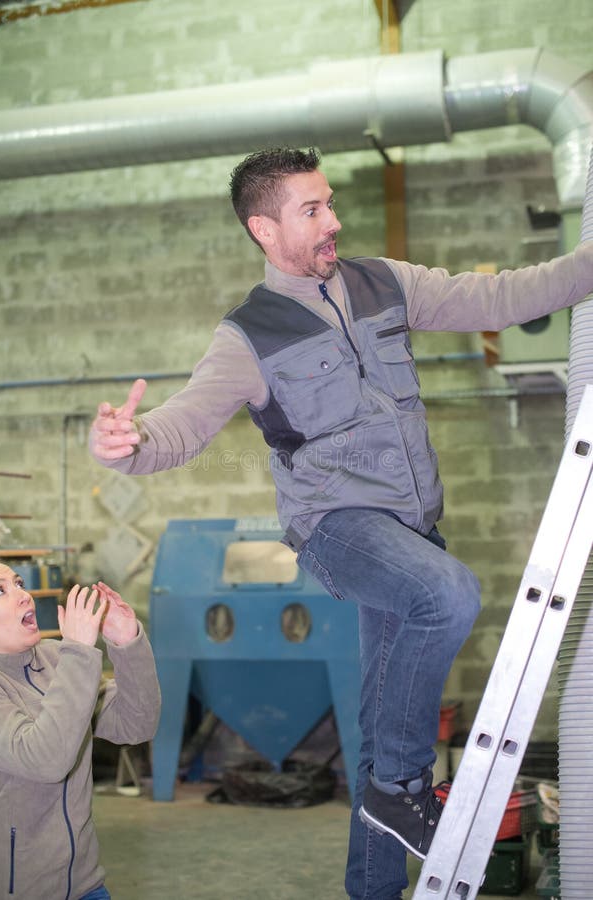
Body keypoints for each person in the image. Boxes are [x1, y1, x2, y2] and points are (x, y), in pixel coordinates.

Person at [89, 147, 593, 899]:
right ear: (264, 228)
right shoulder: (248, 336)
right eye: (312, 210)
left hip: (410, 529)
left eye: (330, 204)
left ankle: (375, 877)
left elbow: (499, 300)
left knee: (383, 703)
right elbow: (183, 426)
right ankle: (402, 782)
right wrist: (127, 447)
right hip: (337, 526)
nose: (334, 221)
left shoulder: (382, 282)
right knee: (448, 594)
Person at [0, 562, 161, 900]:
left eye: (18, 583)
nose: (24, 595)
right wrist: (81, 653)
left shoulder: (58, 660)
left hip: (86, 886)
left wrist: (126, 643)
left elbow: (137, 723)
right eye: (0, 590)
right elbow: (46, 761)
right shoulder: (68, 662)